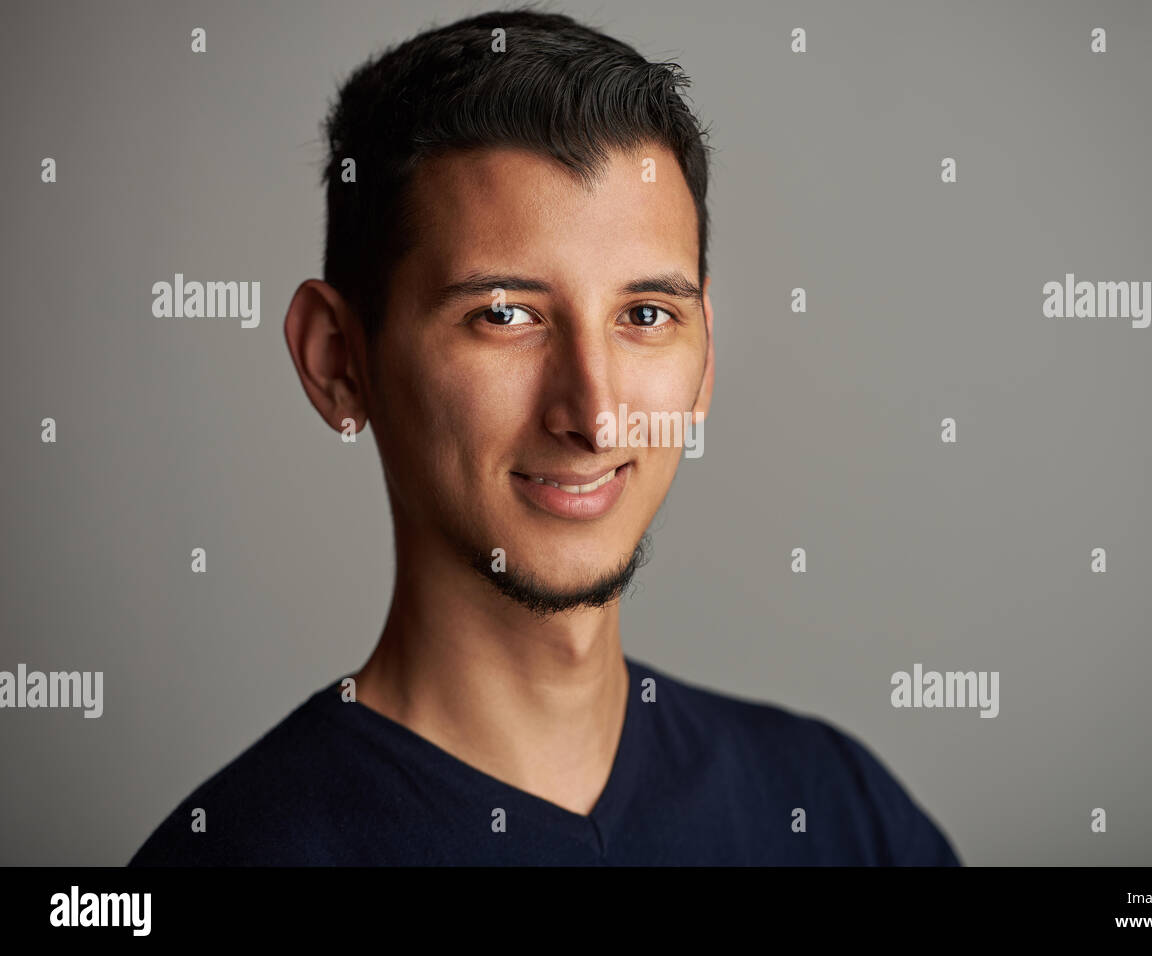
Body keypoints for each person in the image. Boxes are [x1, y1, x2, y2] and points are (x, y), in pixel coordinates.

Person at [129, 6, 960, 866]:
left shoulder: (835, 814)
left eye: (645, 314)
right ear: (339, 359)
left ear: (706, 356)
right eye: (505, 314)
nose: (595, 415)